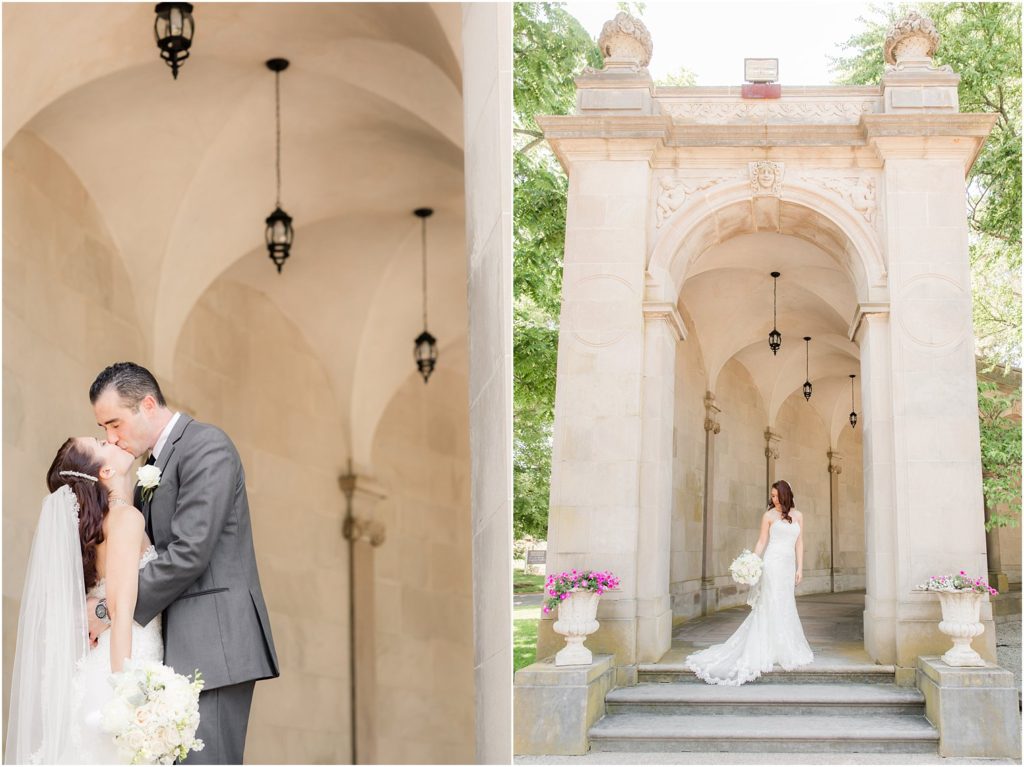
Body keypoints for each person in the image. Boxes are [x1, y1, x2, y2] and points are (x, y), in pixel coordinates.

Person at [86, 361, 279, 763]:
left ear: (148, 404)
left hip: (213, 645)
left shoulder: (207, 446)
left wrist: (109, 608)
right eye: (103, 428)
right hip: (174, 650)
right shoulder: (148, 468)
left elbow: (190, 551)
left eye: (115, 424)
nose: (111, 437)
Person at [6, 436, 162, 763]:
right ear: (105, 471)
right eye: (101, 442)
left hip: (97, 665)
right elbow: (120, 613)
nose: (111, 439)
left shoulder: (96, 530)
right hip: (127, 661)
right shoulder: (126, 518)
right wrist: (128, 697)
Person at [685, 479, 814, 686]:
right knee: (770, 602)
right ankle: (767, 648)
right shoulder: (768, 516)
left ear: (785, 494)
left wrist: (800, 568)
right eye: (772, 495)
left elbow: (799, 542)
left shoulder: (798, 516)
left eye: (776, 495)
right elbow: (762, 541)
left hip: (788, 565)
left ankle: (784, 646)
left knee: (786, 603)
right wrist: (752, 561)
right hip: (772, 563)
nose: (773, 498)